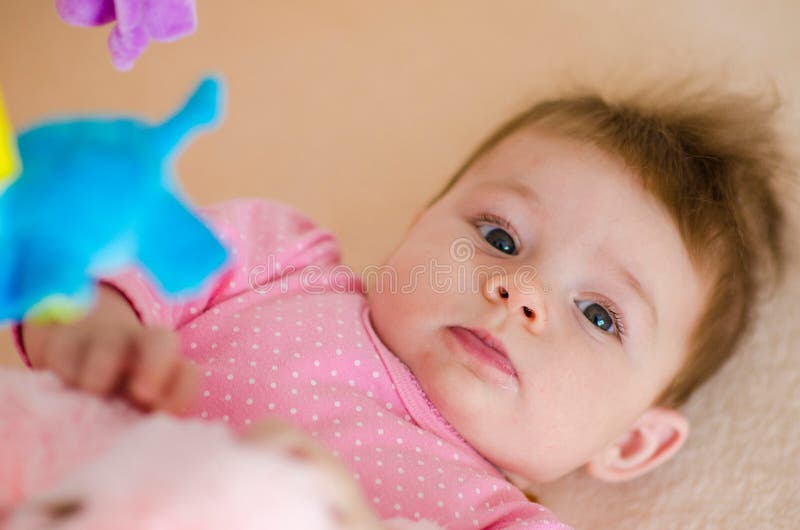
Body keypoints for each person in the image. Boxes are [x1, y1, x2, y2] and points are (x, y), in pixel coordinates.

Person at [16, 82, 788, 529]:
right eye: (498, 235)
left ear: (633, 444)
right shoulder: (284, 257)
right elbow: (103, 265)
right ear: (421, 226)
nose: (518, 292)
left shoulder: (501, 521)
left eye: (599, 315)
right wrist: (94, 328)